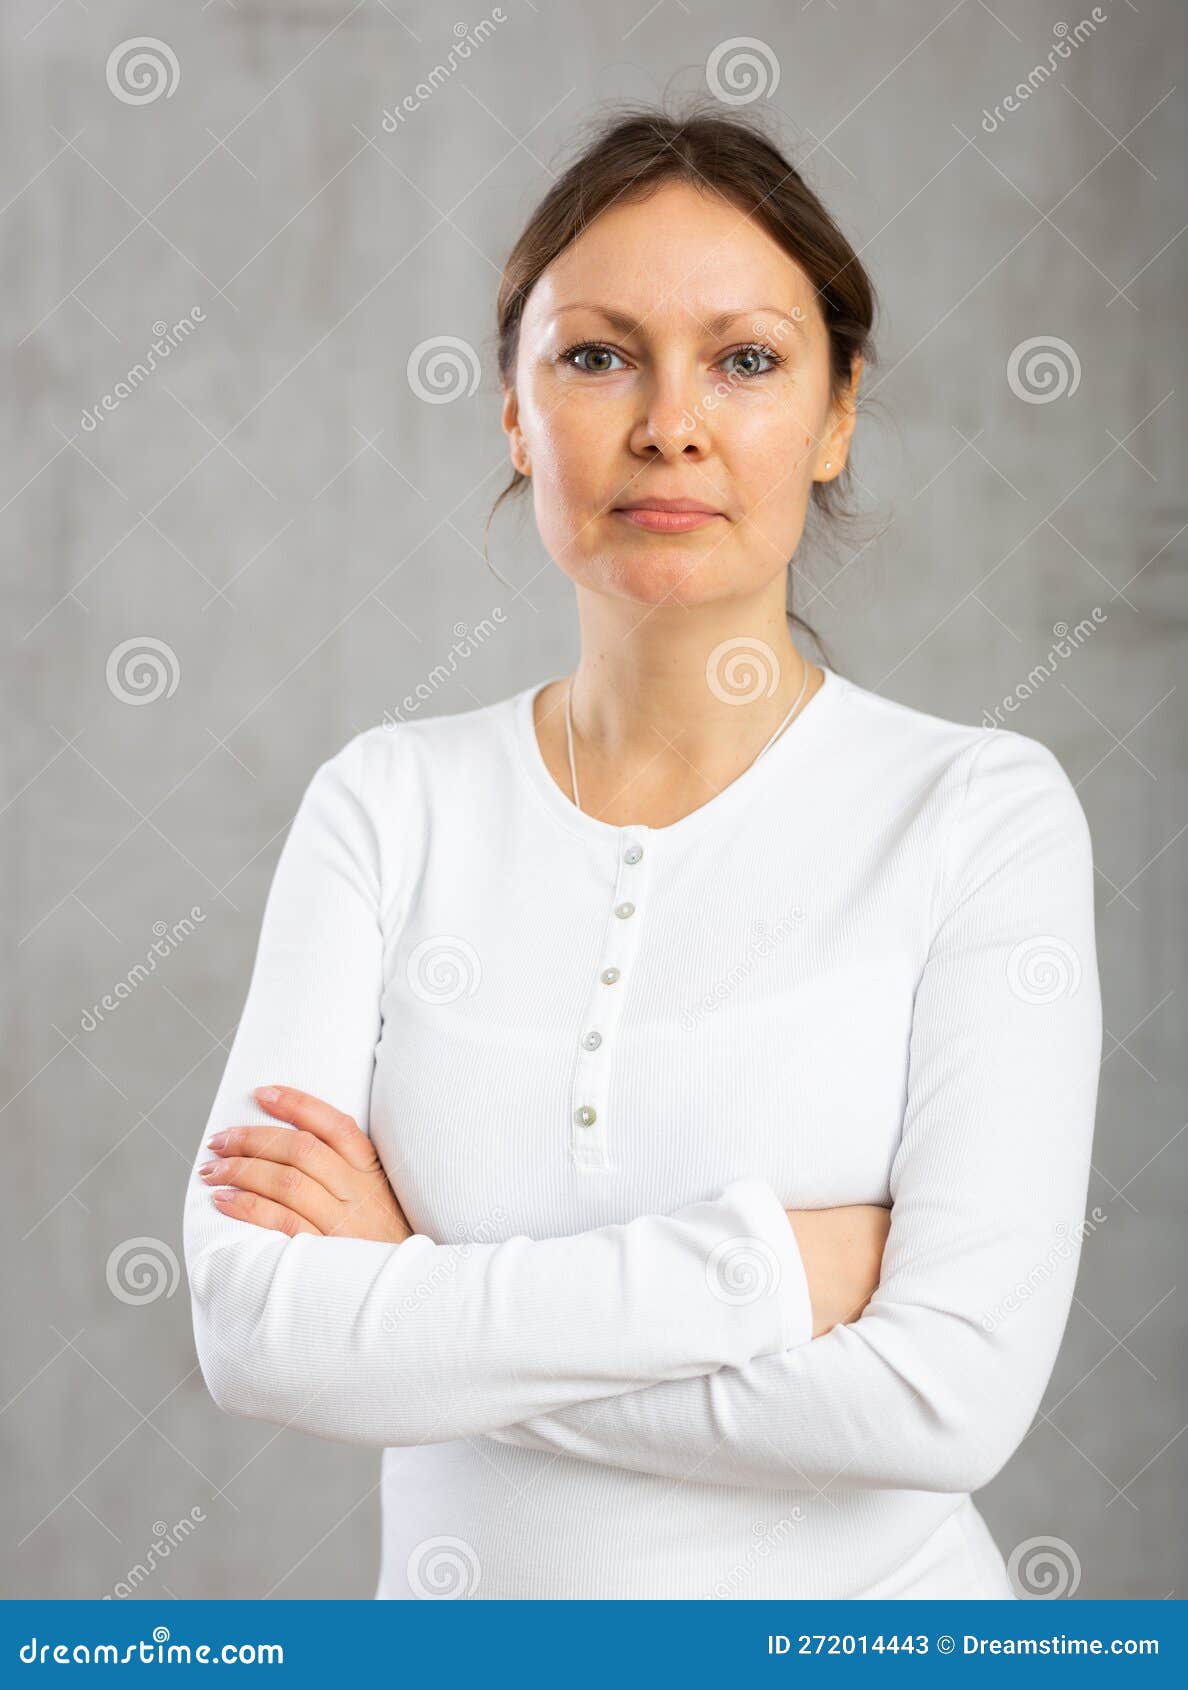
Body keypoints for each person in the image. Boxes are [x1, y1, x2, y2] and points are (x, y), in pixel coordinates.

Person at [183, 103, 1102, 1600]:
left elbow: (948, 1400)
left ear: (839, 411)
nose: (670, 420)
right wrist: (756, 1276)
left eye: (746, 359)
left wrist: (415, 1308)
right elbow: (252, 1326)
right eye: (597, 354)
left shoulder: (979, 813)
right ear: (511, 408)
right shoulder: (387, 805)